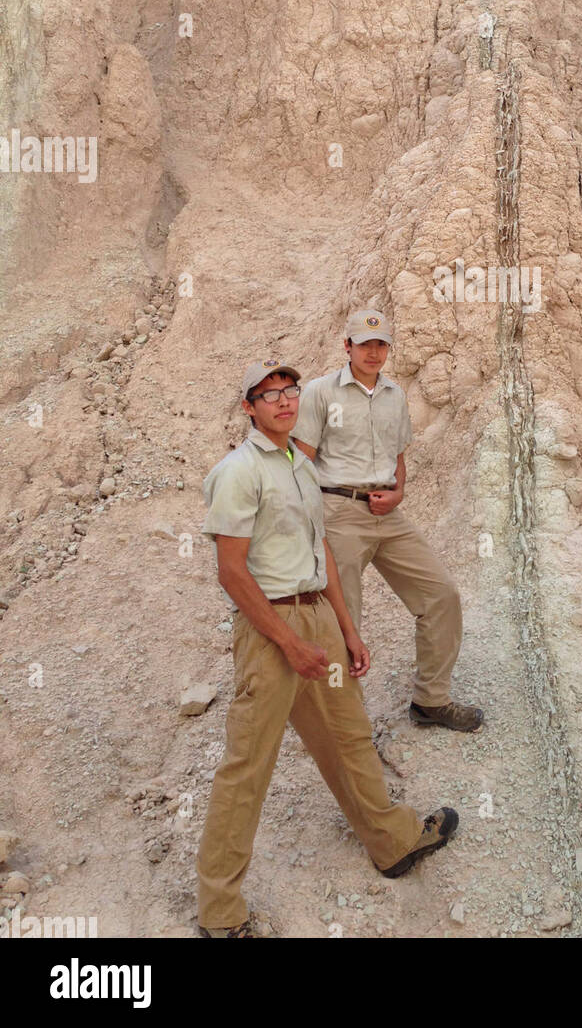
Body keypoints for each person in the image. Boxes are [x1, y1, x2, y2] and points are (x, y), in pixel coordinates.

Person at [196, 358, 458, 938]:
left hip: (317, 621)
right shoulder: (238, 471)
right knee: (247, 768)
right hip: (272, 635)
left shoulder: (300, 467)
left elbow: (322, 559)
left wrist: (348, 631)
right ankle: (220, 912)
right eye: (269, 395)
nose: (285, 401)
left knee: (350, 734)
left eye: (289, 391)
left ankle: (392, 842)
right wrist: (290, 645)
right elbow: (232, 574)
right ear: (249, 407)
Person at [293, 311, 483, 732]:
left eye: (381, 345)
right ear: (348, 347)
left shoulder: (395, 395)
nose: (374, 352)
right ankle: (346, 726)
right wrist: (311, 521)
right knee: (344, 618)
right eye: (365, 344)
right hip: (338, 510)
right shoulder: (320, 393)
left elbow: (399, 457)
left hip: (388, 512)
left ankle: (431, 701)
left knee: (441, 594)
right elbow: (301, 460)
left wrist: (398, 493)